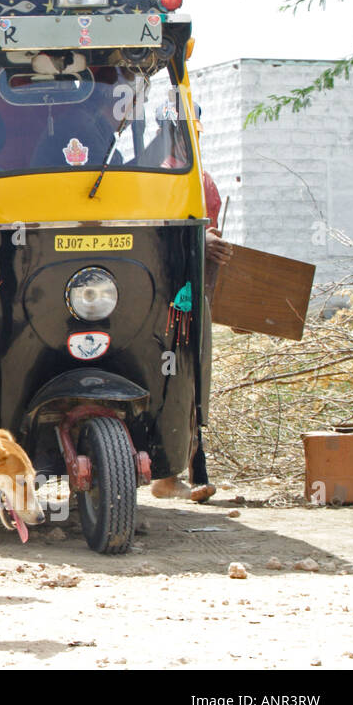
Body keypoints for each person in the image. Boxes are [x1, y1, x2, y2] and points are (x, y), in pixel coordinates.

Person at [150, 106, 230, 502]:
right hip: (159, 297)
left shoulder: (203, 182)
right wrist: (202, 242)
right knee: (169, 381)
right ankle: (165, 475)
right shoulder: (147, 178)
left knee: (196, 380)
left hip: (192, 296)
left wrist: (210, 243)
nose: (184, 135)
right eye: (177, 128)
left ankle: (190, 470)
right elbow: (155, 239)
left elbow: (210, 232)